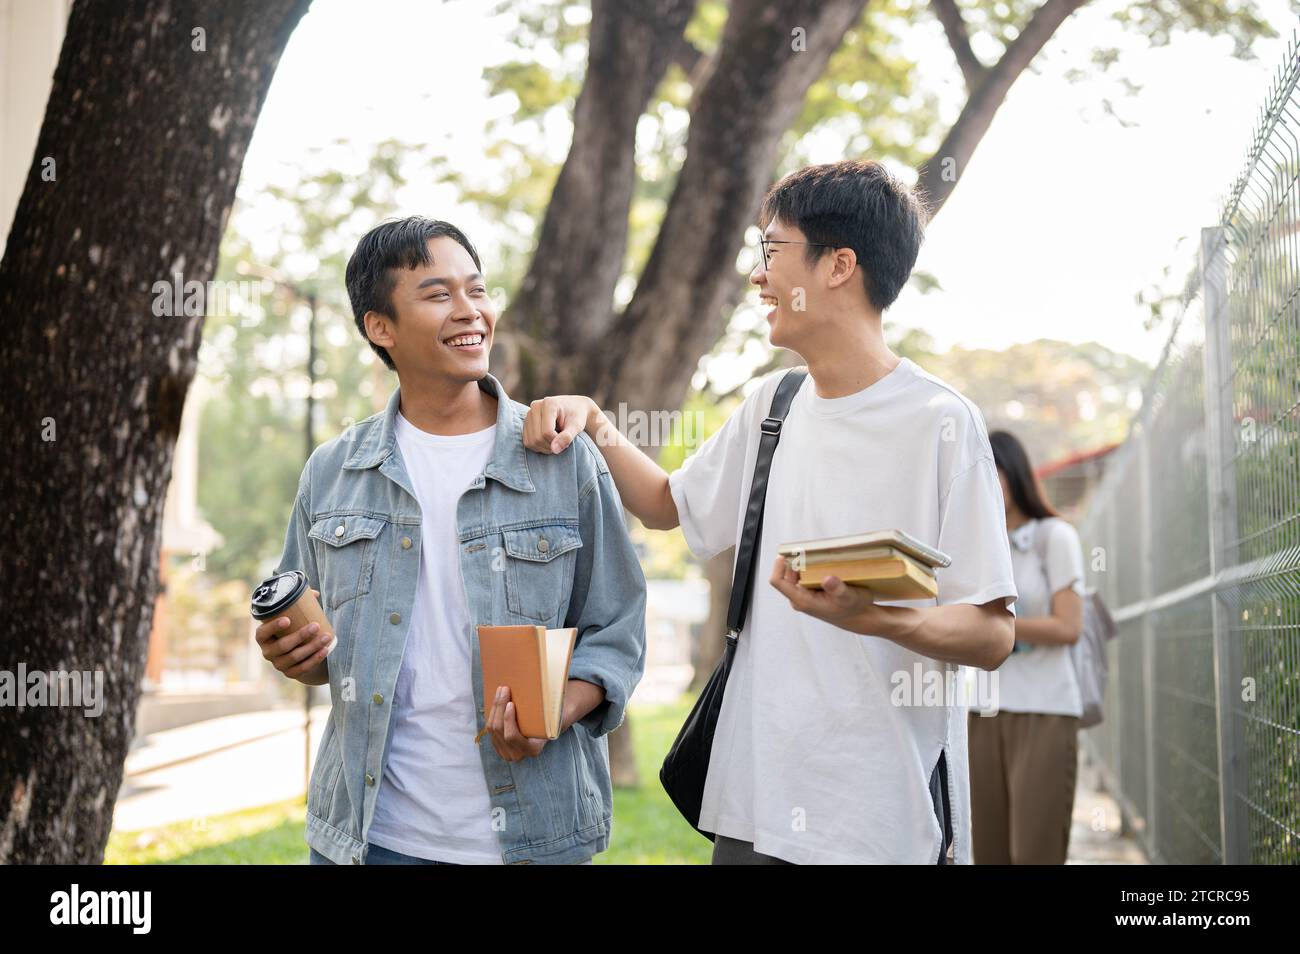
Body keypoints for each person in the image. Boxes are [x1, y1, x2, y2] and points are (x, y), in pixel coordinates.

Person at [523, 159, 1018, 864]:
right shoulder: (773, 406)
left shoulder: (942, 422)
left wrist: (872, 618)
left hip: (880, 821)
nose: (757, 275)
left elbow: (991, 631)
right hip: (755, 805)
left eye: (772, 250)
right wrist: (597, 423)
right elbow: (668, 506)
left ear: (839, 265)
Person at [255, 216, 646, 865]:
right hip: (369, 838)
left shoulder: (563, 460)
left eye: (477, 290)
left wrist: (553, 710)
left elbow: (618, 628)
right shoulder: (333, 472)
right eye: (438, 295)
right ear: (380, 327)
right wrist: (293, 651)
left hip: (533, 840)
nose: (471, 312)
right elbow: (319, 643)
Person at [967, 429, 1086, 864]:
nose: (985, 487)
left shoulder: (1054, 537)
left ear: (1014, 473)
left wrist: (995, 629)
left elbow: (1069, 626)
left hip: (1044, 711)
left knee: (1035, 851)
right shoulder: (975, 545)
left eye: (992, 474)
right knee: (989, 853)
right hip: (982, 712)